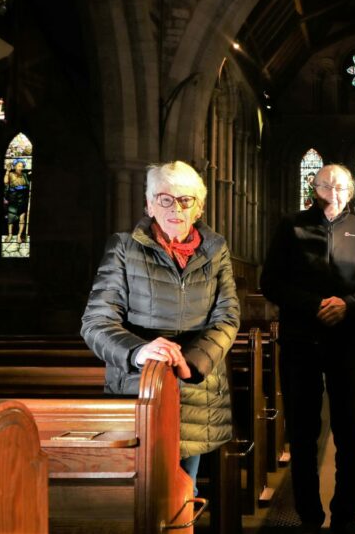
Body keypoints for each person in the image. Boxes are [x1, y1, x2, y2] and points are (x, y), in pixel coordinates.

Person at [81, 160, 239, 488]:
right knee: (138, 493)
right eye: (164, 199)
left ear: (199, 208)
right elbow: (96, 321)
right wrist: (139, 351)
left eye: (185, 200)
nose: (175, 208)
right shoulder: (124, 247)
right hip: (138, 386)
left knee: (183, 491)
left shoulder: (216, 250)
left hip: (196, 388)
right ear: (149, 205)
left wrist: (191, 363)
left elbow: (227, 317)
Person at [261, 164, 355, 534]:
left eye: (342, 185)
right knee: (303, 433)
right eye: (327, 185)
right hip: (300, 342)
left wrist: (348, 304)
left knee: (350, 433)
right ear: (313, 189)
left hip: (345, 342)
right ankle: (309, 517)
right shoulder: (291, 226)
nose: (335, 191)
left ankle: (346, 517)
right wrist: (313, 304)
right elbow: (271, 282)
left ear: (352, 190)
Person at [4, 159, 31, 242]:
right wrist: (7, 171)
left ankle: (19, 235)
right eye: (19, 166)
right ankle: (10, 235)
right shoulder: (11, 174)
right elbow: (5, 182)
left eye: (22, 166)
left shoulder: (25, 175)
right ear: (15, 166)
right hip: (13, 197)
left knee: (22, 219)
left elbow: (28, 184)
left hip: (22, 198)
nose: (20, 168)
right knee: (11, 218)